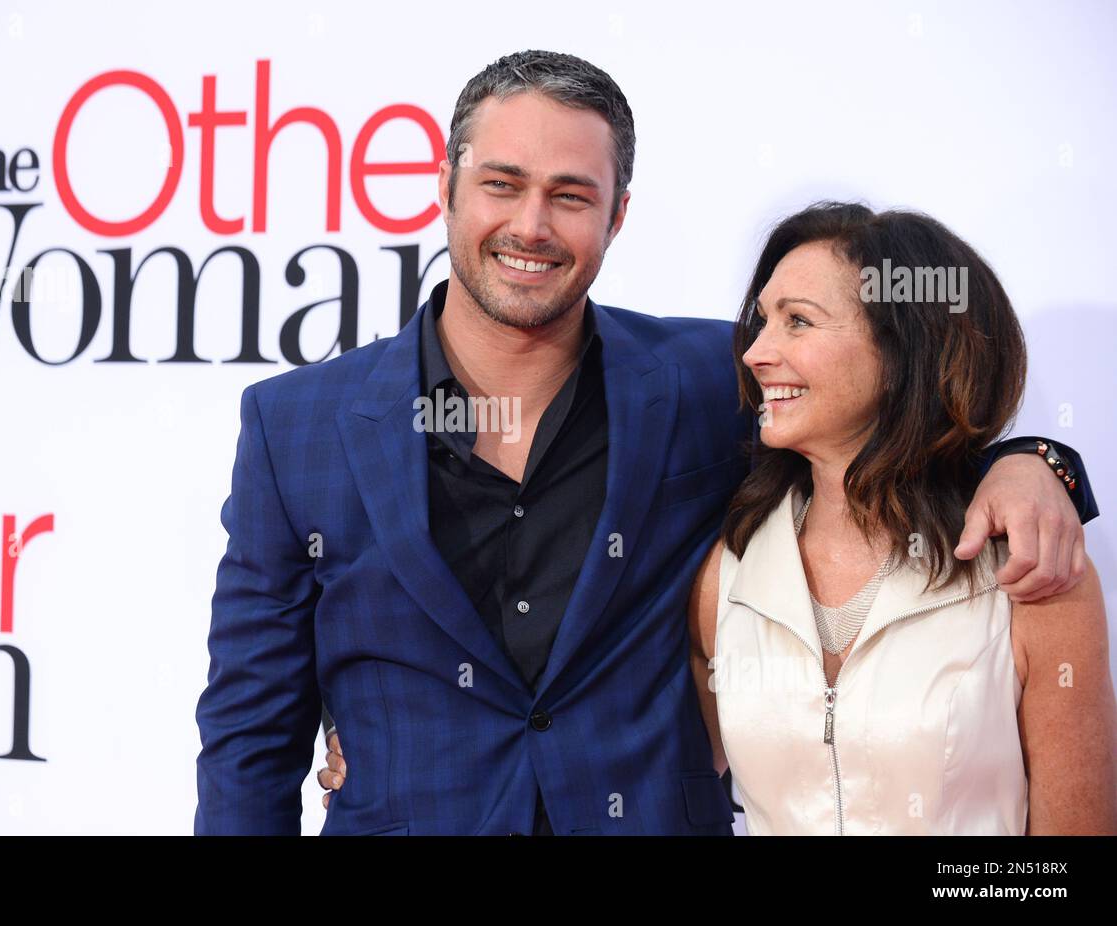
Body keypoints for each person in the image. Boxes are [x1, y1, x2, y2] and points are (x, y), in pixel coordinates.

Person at [197, 51, 1095, 836]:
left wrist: (1031, 463)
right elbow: (250, 737)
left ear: (618, 214)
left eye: (571, 196)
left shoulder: (714, 376)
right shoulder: (297, 426)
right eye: (502, 184)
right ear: (447, 188)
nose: (532, 226)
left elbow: (883, 417)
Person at [315, 204, 1117, 835]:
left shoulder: (1032, 575)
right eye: (762, 322)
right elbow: (613, 738)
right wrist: (395, 739)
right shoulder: (723, 572)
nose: (757, 352)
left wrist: (1036, 462)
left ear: (907, 347)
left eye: (798, 322)